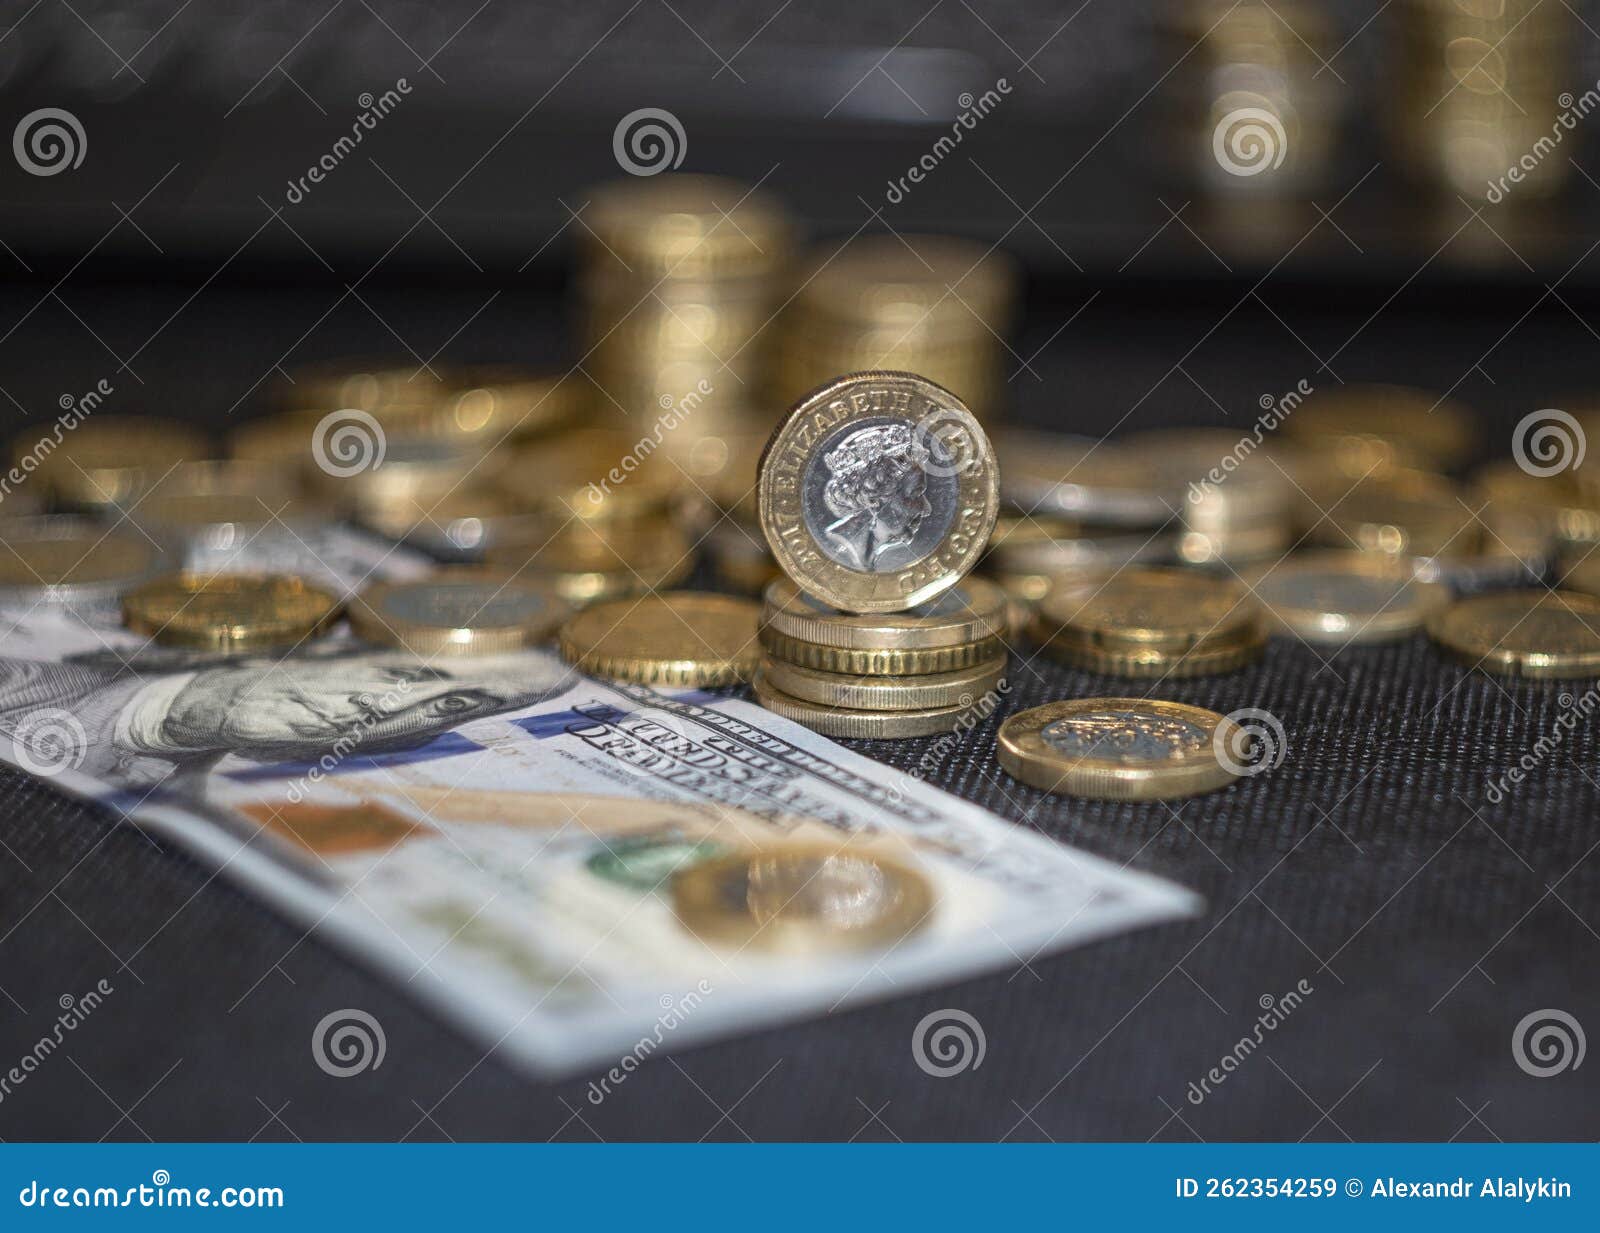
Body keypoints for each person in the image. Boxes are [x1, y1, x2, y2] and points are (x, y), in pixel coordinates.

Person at [0, 640, 573, 790]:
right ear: (320, 653)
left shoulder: (178, 795)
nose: (387, 705)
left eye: (453, 706)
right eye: (406, 674)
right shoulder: (19, 683)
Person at [820, 423, 934, 570]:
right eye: (916, 493)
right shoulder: (836, 552)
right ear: (874, 501)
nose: (927, 509)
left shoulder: (863, 560)